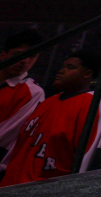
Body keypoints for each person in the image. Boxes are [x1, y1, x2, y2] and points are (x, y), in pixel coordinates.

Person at [0, 50, 101, 186]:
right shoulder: (48, 101)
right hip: (11, 184)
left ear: (87, 74)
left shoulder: (96, 107)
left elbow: (90, 161)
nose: (61, 71)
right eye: (63, 66)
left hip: (45, 189)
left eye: (70, 68)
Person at [0, 29, 44, 169]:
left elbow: (7, 135)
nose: (25, 61)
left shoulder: (33, 92)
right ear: (3, 55)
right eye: (18, 54)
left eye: (32, 56)